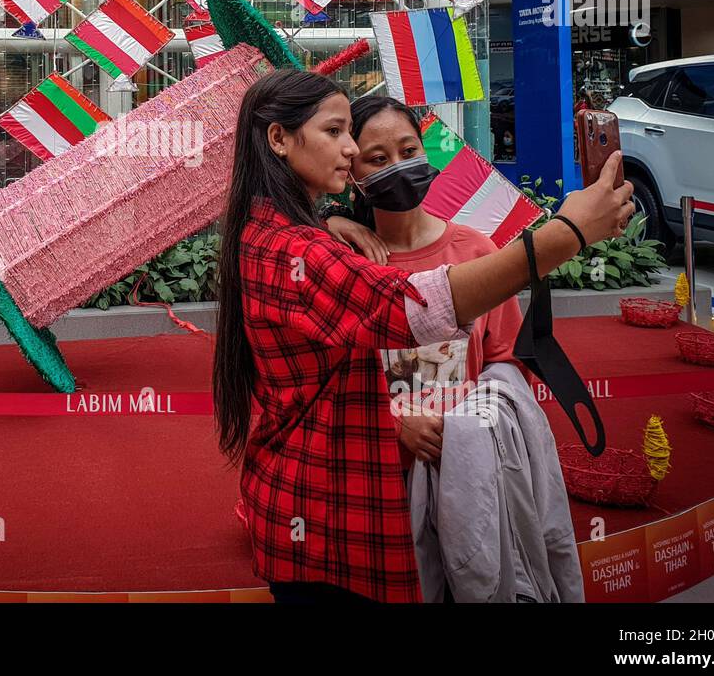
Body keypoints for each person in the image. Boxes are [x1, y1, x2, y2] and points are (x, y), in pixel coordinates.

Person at [212, 70, 632, 605]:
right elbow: (405, 307)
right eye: (340, 135)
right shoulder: (300, 250)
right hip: (333, 521)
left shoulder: (296, 235)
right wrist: (566, 233)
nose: (348, 149)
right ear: (278, 138)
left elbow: (498, 357)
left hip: (372, 504)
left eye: (405, 149)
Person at [321, 96, 526, 468]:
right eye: (378, 159)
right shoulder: (344, 263)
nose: (398, 167)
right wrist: (395, 418)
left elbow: (505, 359)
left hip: (464, 462)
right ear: (352, 173)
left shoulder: (478, 251)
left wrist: (474, 416)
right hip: (373, 469)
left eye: (408, 150)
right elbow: (327, 380)